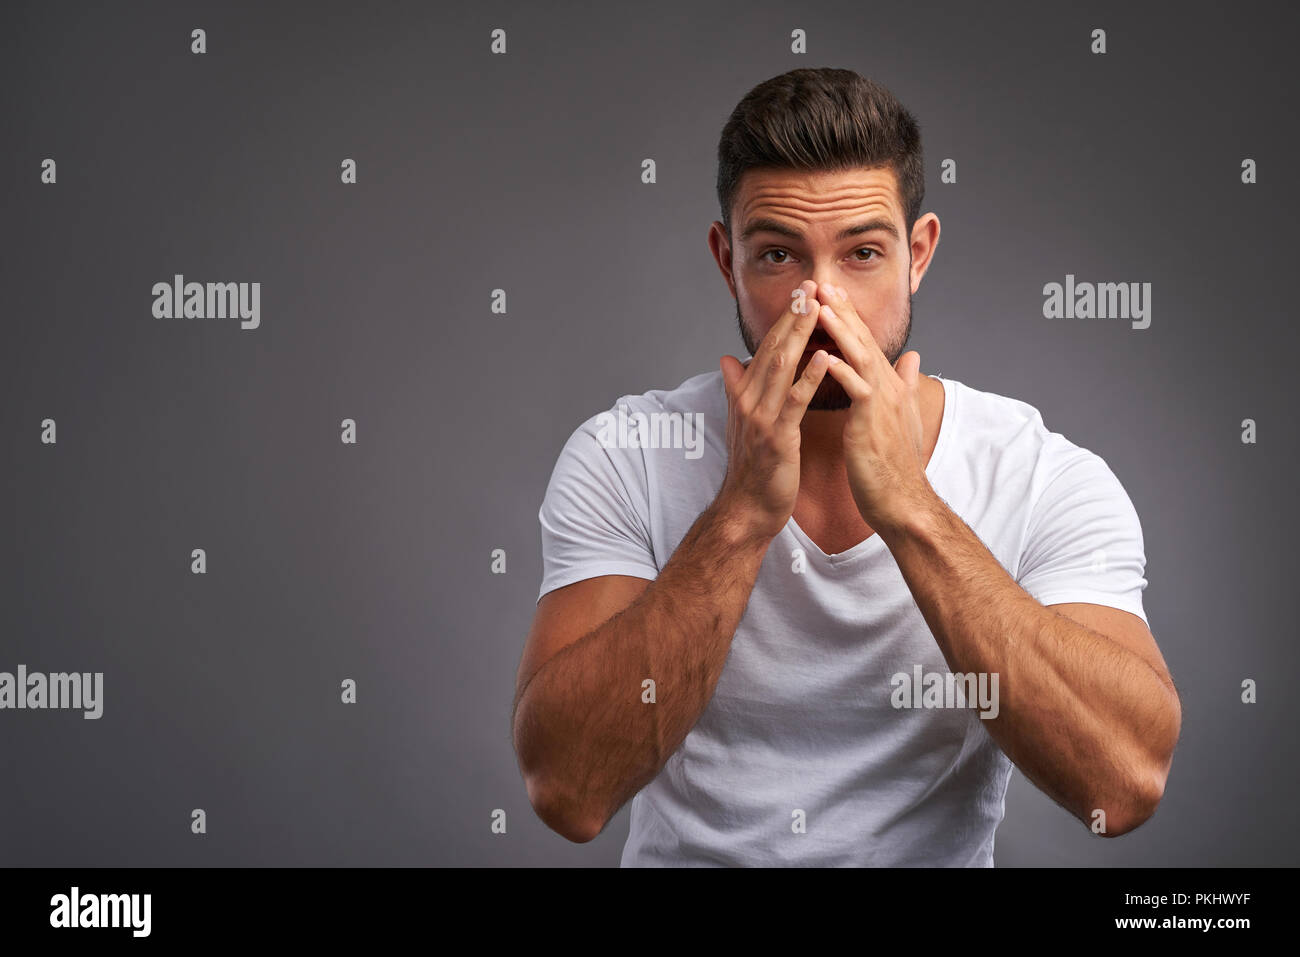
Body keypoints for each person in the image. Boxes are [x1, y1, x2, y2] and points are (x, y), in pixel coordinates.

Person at [511, 67, 1181, 866]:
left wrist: (913, 509)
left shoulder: (1041, 477)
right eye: (778, 256)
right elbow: (567, 790)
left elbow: (1127, 782)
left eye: (862, 252)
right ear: (728, 262)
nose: (819, 302)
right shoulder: (625, 455)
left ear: (918, 254)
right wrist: (740, 516)